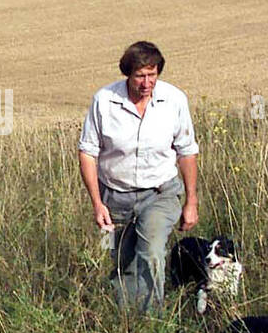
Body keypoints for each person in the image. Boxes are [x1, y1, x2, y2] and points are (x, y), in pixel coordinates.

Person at [77, 41, 199, 314]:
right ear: (127, 75)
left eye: (152, 75)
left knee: (151, 252)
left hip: (160, 193)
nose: (147, 83)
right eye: (140, 76)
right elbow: (87, 152)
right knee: (122, 261)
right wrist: (97, 203)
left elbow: (187, 151)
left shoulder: (174, 100)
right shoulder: (104, 101)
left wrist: (191, 200)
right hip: (114, 197)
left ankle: (153, 320)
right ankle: (126, 320)